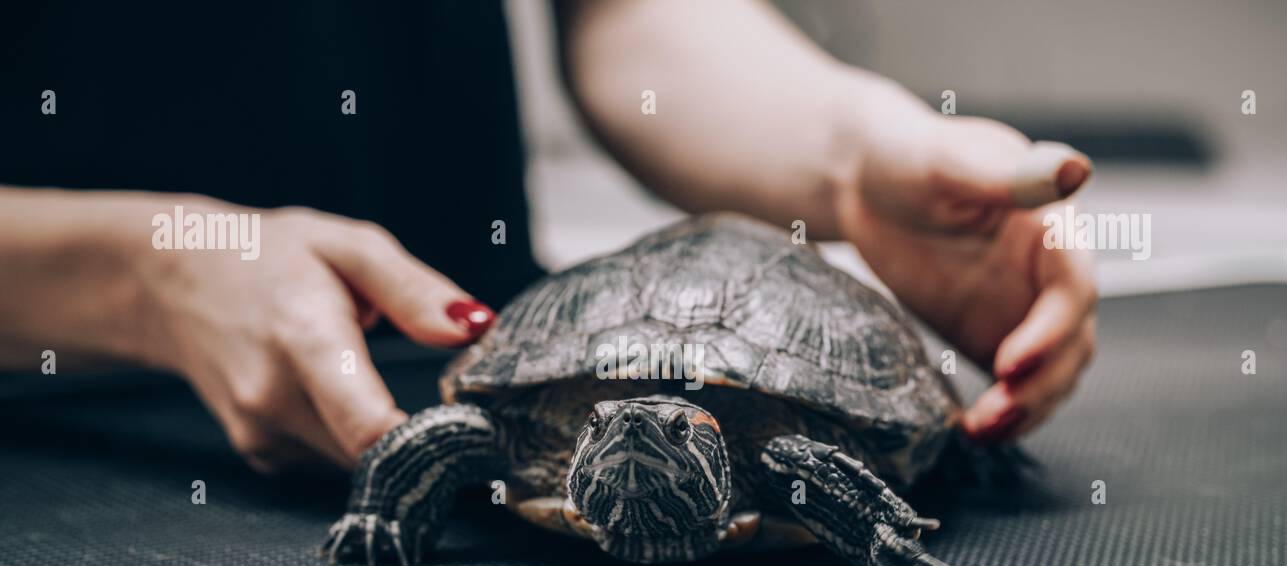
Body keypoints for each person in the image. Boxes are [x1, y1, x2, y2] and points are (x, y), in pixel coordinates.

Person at [0, 0, 1095, 474]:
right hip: (65, 421)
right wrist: (146, 273)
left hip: (487, 361)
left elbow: (630, 16)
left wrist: (853, 154)